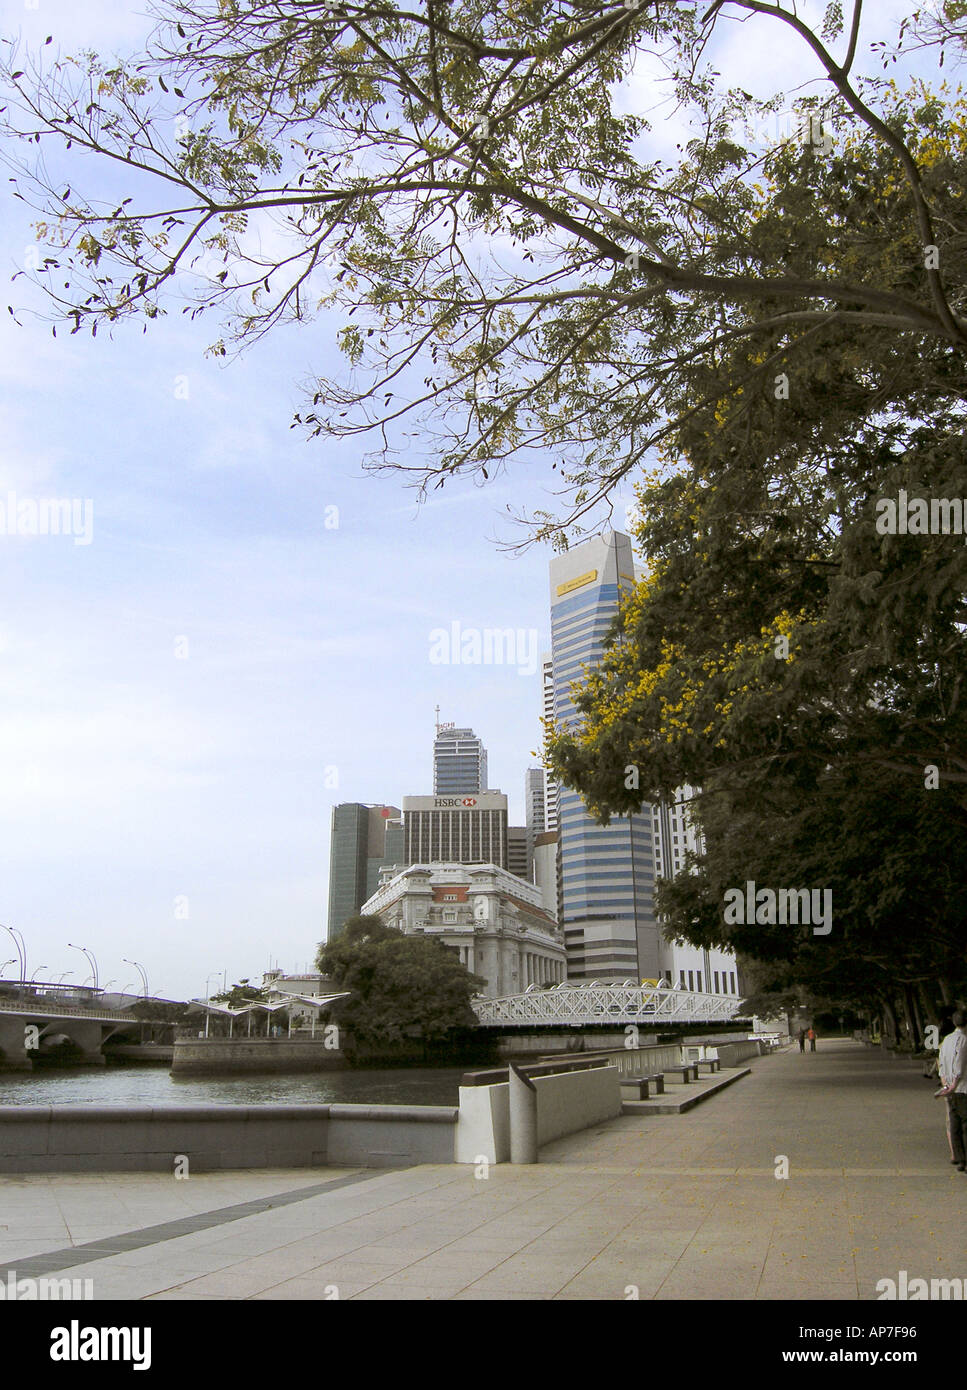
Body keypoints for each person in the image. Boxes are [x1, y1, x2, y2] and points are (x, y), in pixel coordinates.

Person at [938, 1011, 967, 1172]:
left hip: (948, 1088)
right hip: (962, 1088)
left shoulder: (947, 1040)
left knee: (954, 1125)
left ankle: (959, 1157)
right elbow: (959, 1065)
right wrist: (954, 1084)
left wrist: (945, 1085)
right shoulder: (963, 1040)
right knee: (965, 1125)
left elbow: (941, 1063)